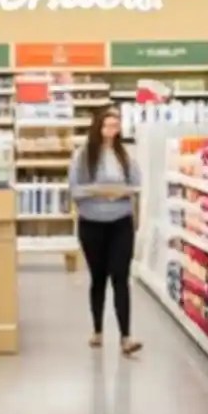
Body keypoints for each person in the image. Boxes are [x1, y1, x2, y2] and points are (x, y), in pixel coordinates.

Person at [68, 108, 143, 356]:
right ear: (97, 128)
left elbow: (136, 185)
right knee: (98, 278)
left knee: (121, 277)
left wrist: (123, 192)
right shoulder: (82, 157)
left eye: (115, 126)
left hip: (121, 222)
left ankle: (126, 337)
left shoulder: (126, 155)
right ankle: (98, 329)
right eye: (107, 126)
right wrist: (98, 191)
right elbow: (75, 190)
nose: (112, 131)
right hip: (92, 224)